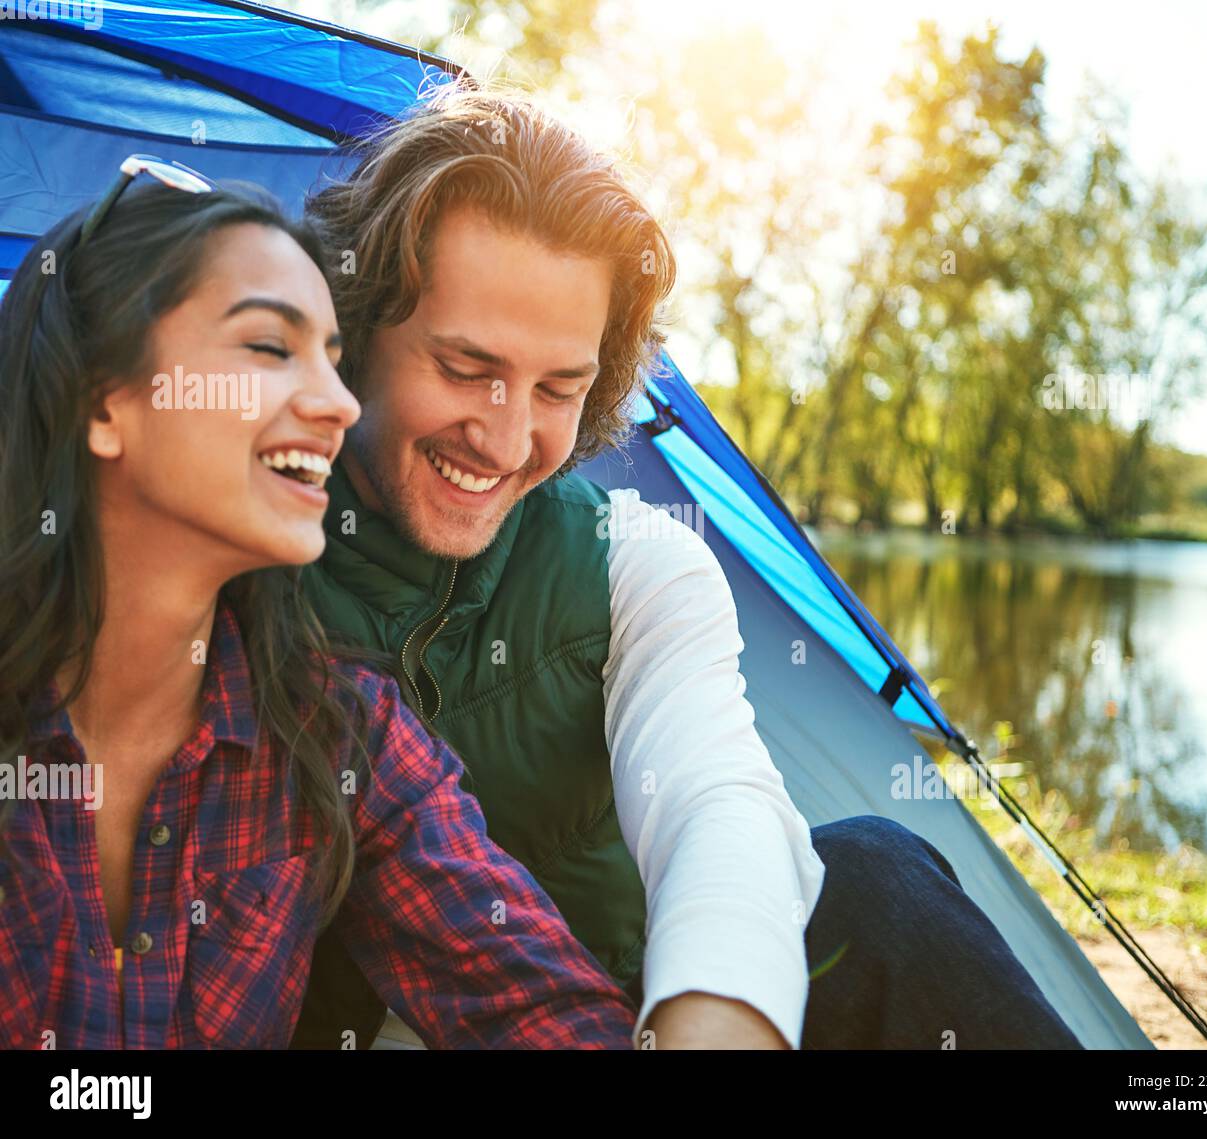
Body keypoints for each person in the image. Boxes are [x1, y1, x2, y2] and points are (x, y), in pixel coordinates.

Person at [292, 85, 1083, 1050]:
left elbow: (716, 800)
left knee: (877, 876)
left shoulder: (637, 562)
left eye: (559, 388)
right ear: (354, 329)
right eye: (464, 368)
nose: (504, 437)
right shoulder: (233, 552)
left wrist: (711, 1022)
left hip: (636, 1015)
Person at [0, 156, 637, 1049]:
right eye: (269, 348)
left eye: (332, 361)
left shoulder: (339, 736)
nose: (339, 405)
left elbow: (533, 1004)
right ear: (105, 399)